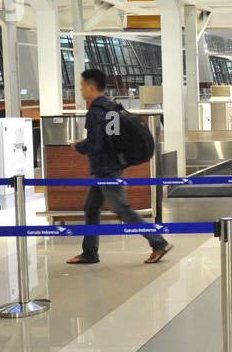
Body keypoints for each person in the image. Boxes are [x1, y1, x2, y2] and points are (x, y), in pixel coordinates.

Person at [65, 68, 171, 266]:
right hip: (112, 165)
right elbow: (108, 139)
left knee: (121, 207)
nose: (80, 90)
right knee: (91, 207)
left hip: (105, 169)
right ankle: (89, 252)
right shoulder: (111, 107)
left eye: (82, 86)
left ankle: (159, 242)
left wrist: (79, 145)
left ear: (91, 86)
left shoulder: (96, 112)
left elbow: (95, 145)